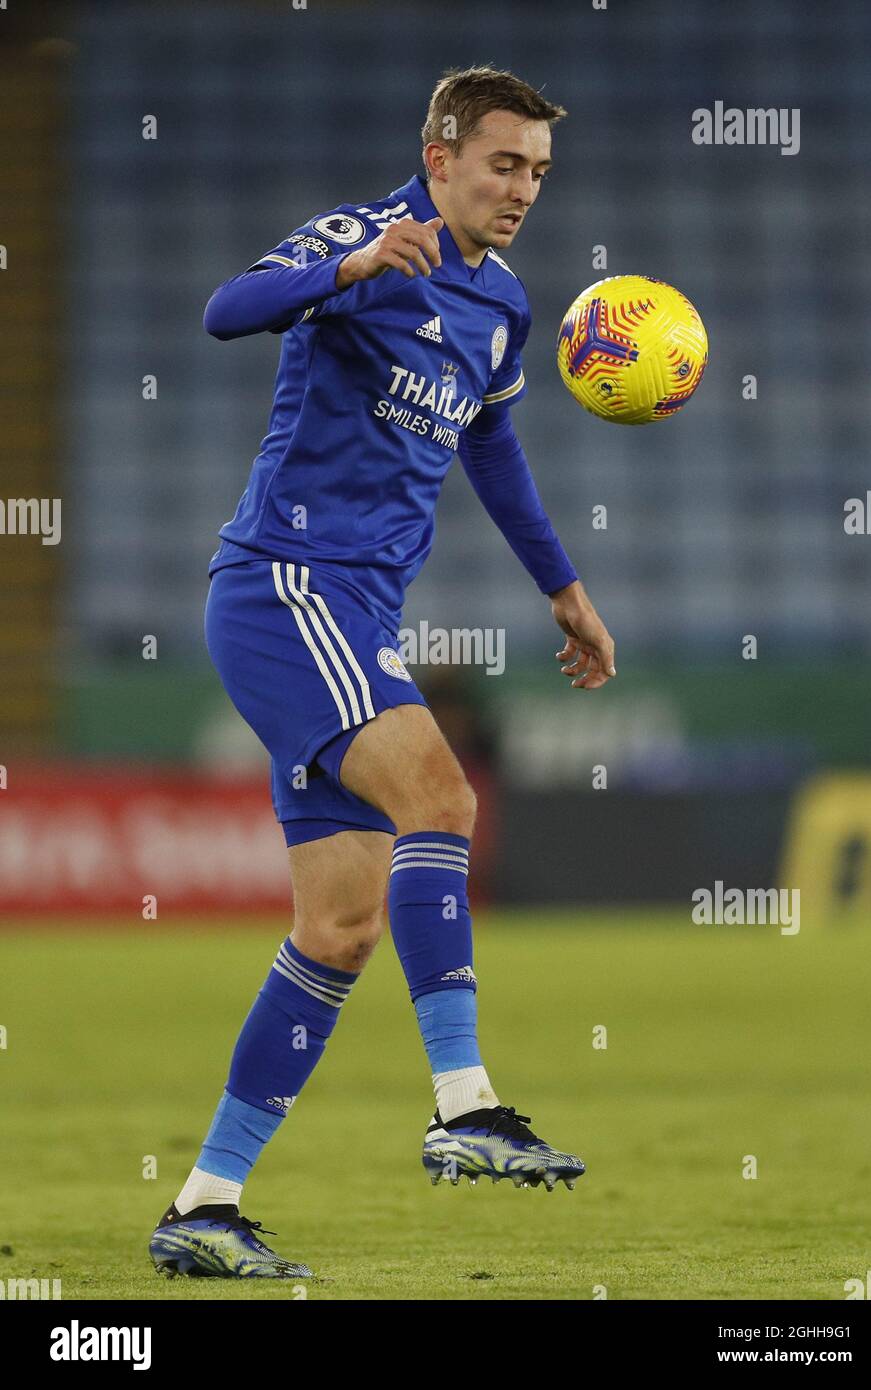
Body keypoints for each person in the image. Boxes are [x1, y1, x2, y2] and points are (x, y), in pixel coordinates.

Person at [149, 64, 615, 1280]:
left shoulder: (503, 304)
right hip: (285, 583)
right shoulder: (365, 237)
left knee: (342, 924)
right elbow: (223, 307)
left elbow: (495, 448)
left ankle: (203, 1203)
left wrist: (561, 589)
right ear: (443, 152)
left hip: (357, 606)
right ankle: (463, 1107)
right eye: (503, 164)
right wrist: (343, 274)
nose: (521, 191)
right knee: (444, 803)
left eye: (538, 173)